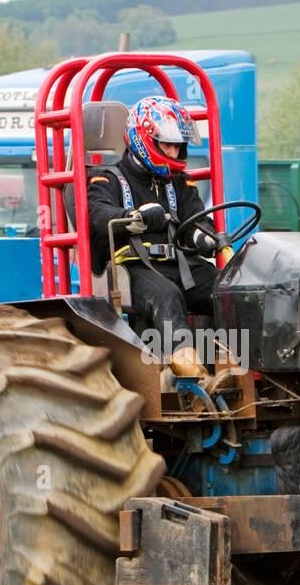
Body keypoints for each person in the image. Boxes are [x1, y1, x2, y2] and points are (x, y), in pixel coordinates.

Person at [87, 96, 222, 378]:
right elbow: (98, 214)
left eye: (178, 146)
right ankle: (197, 379)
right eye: (167, 145)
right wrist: (133, 217)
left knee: (230, 288)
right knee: (166, 294)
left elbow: (198, 218)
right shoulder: (108, 178)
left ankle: (238, 365)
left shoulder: (180, 183)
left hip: (181, 266)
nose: (174, 153)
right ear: (143, 139)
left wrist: (205, 237)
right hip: (131, 268)